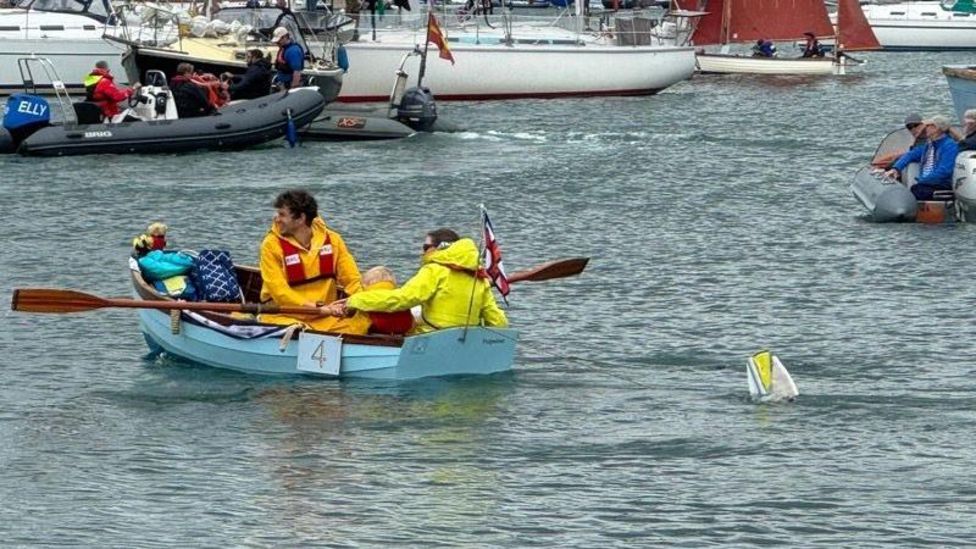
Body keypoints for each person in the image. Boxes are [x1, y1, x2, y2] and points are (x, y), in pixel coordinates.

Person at [332, 228, 509, 334]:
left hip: (431, 341)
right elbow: (499, 322)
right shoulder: (479, 278)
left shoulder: (434, 270)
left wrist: (356, 300)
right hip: (466, 344)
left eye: (425, 247)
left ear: (440, 249)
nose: (422, 252)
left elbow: (401, 300)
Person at [258, 189, 370, 334]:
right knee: (300, 331)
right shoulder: (270, 245)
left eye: (282, 214)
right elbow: (280, 292)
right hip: (284, 315)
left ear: (301, 218)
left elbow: (352, 280)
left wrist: (362, 301)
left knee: (362, 324)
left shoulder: (333, 240)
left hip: (324, 316)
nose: (276, 219)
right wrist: (316, 308)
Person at [885, 115, 959, 200]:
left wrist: (922, 180)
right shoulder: (930, 145)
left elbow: (944, 171)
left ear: (936, 128)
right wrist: (896, 169)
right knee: (915, 189)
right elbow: (911, 154)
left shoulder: (950, 146)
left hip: (941, 185)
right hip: (927, 184)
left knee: (916, 190)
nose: (925, 128)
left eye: (928, 126)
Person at [359, 266, 414, 335]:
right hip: (401, 336)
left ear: (366, 283)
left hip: (374, 336)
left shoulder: (365, 298)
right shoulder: (399, 297)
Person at [271, 26, 305, 90]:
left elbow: (297, 72)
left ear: (285, 37)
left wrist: (293, 88)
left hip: (289, 85)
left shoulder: (293, 51)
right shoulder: (283, 48)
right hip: (282, 83)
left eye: (278, 40)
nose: (277, 43)